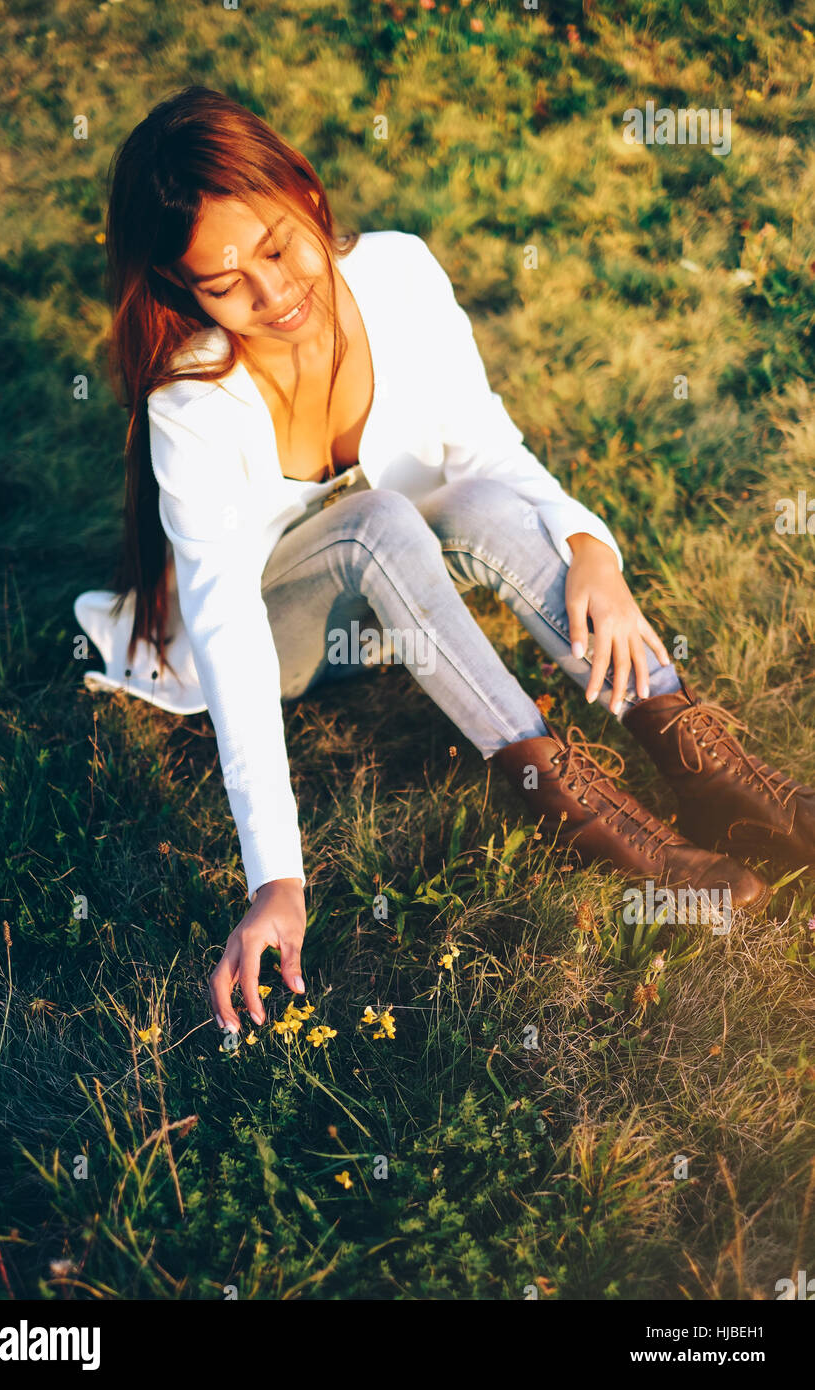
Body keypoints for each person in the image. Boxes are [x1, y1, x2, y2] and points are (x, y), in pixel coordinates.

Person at [78, 86, 814, 1035]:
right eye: (225, 282)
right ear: (183, 288)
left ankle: (701, 760)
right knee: (378, 521)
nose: (273, 294)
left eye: (274, 246)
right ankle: (566, 802)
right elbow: (228, 635)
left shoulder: (399, 276)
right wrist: (277, 880)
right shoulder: (193, 404)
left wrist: (589, 545)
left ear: (305, 194)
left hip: (408, 580)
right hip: (287, 632)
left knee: (470, 500)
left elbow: (488, 451)